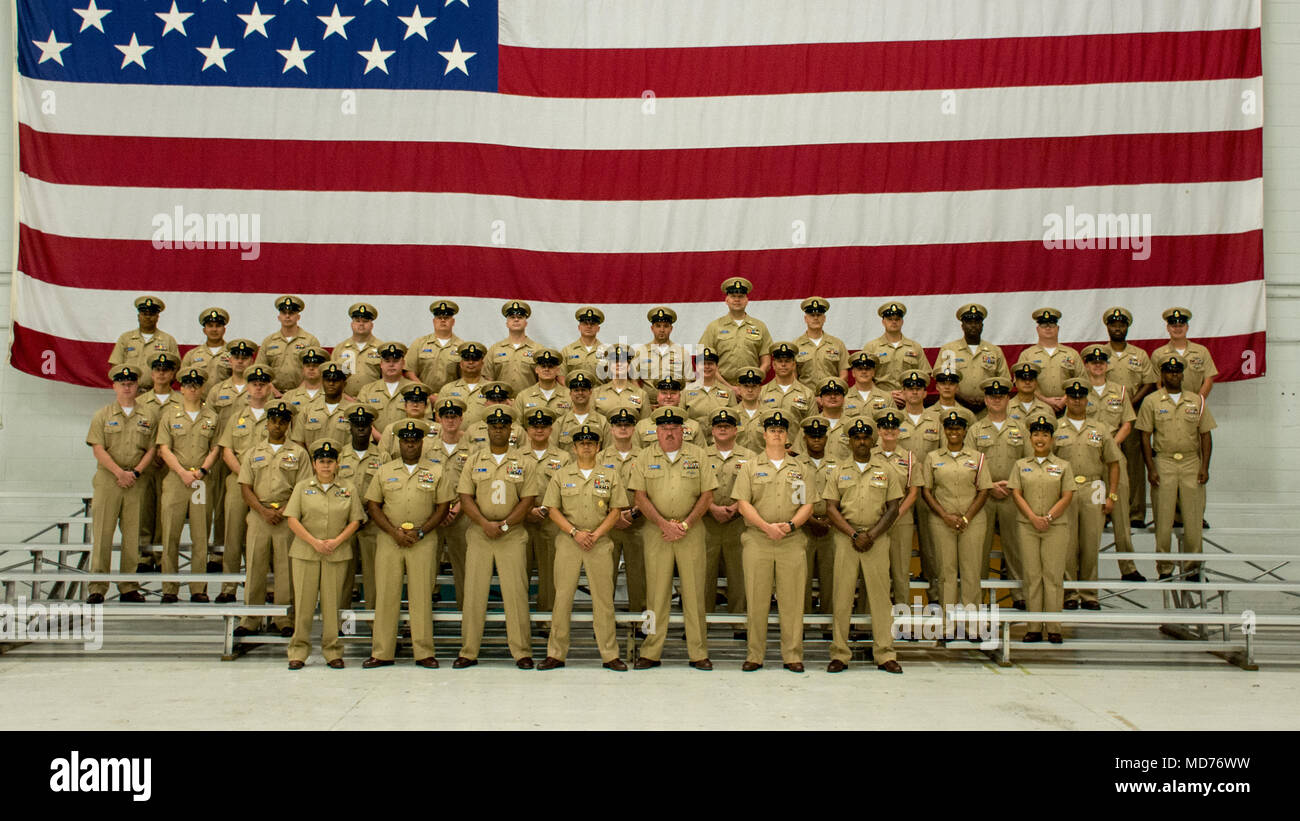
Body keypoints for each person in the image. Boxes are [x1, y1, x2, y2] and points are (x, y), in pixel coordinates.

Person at [628, 406, 719, 670]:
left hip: (691, 531)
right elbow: (640, 497)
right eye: (664, 428)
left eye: (673, 428)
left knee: (694, 593)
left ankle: (698, 652)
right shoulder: (644, 457)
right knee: (655, 594)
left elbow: (707, 496)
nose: (669, 433)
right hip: (657, 533)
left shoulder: (699, 455)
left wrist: (686, 524)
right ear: (656, 431)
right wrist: (663, 524)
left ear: (683, 430)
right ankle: (650, 651)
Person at [360, 419, 454, 668]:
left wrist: (422, 532)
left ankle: (423, 652)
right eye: (406, 441)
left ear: (422, 442)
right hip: (390, 539)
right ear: (399, 442)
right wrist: (393, 532)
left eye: (415, 441)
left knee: (421, 596)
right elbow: (373, 505)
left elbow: (443, 506)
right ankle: (382, 652)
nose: (410, 445)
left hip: (423, 540)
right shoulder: (385, 470)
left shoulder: (435, 470)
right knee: (386, 595)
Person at [454, 407, 543, 669]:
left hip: (512, 534)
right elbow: (465, 496)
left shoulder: (524, 462)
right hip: (480, 534)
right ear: (487, 429)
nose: (498, 430)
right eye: (494, 426)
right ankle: (468, 651)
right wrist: (484, 523)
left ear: (511, 430)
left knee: (515, 593)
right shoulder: (474, 460)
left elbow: (528, 500)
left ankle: (522, 651)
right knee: (474, 593)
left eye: (503, 425)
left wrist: (504, 524)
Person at [540, 424, 630, 671]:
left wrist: (597, 533)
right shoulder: (562, 475)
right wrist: (574, 532)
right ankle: (556, 654)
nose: (587, 446)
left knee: (603, 601)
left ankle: (610, 654)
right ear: (575, 447)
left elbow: (616, 510)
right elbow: (552, 509)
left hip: (599, 543)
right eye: (582, 443)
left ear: (599, 446)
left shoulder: (610, 475)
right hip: (569, 542)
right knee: (563, 598)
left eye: (591, 443)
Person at [732, 410, 814, 672]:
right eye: (772, 430)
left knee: (792, 601)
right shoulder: (750, 467)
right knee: (757, 600)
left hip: (791, 540)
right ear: (764, 435)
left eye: (781, 430)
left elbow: (808, 505)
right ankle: (755, 654)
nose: (777, 433)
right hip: (758, 540)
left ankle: (792, 655)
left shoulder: (800, 469)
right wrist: (766, 527)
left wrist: (789, 526)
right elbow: (743, 504)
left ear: (787, 435)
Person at [822, 417, 904, 673]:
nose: (861, 441)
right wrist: (854, 534)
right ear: (850, 441)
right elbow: (831, 508)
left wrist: (872, 534)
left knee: (880, 599)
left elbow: (893, 508)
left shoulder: (886, 470)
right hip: (846, 539)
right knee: (842, 597)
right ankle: (839, 653)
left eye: (865, 437)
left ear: (872, 440)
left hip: (877, 539)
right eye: (856, 437)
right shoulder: (838, 470)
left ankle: (885, 653)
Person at [284, 442, 364, 669]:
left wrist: (336, 542)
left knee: (332, 605)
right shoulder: (302, 487)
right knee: (304, 604)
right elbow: (292, 519)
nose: (326, 466)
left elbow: (356, 520)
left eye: (330, 462)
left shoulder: (348, 488)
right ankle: (298, 651)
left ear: (337, 464)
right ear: (314, 464)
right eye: (322, 462)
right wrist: (314, 542)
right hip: (306, 553)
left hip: (336, 553)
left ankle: (333, 651)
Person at [1136, 355, 1216, 580]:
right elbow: (1144, 437)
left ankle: (1192, 569)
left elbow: (1206, 435)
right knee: (1163, 522)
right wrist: (1150, 467)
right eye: (1169, 371)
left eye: (1178, 371)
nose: (1174, 375)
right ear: (1162, 375)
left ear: (1183, 374)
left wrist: (1205, 466)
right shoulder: (1152, 401)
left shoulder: (1196, 401)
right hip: (1164, 462)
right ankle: (1164, 569)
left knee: (1193, 520)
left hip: (1191, 462)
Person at [235, 400, 310, 636]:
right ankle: (251, 619)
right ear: (266, 423)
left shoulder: (299, 454)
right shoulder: (252, 453)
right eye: (274, 421)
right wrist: (263, 511)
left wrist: (285, 510)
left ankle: (285, 619)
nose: (278, 426)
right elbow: (245, 487)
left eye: (283, 422)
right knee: (255, 567)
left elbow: (303, 487)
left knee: (286, 569)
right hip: (260, 515)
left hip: (287, 516)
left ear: (288, 424)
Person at [85, 364, 157, 604]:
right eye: (122, 383)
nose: (127, 387)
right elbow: (98, 449)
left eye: (131, 383)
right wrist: (119, 472)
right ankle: (97, 586)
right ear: (114, 386)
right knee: (103, 534)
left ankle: (128, 585)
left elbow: (152, 449)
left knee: (132, 536)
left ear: (137, 386)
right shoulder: (102, 415)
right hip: (109, 479)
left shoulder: (148, 415)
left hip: (136, 481)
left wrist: (135, 472)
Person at [1053, 378, 1122, 610]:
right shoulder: (1055, 428)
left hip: (1094, 487)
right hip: (1065, 490)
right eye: (1072, 397)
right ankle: (1070, 593)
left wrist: (1112, 495)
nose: (1076, 401)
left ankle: (1090, 593)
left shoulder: (1100, 429)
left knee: (1091, 543)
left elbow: (1113, 462)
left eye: (1081, 396)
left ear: (1086, 399)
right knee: (1068, 544)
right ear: (1066, 399)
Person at [155, 367, 221, 603]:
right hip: (176, 480)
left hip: (201, 482)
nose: (192, 389)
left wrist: (202, 470)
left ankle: (198, 588)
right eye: (187, 385)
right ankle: (169, 589)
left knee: (200, 535)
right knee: (170, 535)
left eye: (196, 385)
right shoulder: (170, 416)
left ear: (202, 388)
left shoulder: (212, 417)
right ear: (181, 388)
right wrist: (182, 472)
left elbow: (215, 448)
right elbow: (164, 448)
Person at [1081, 344, 1145, 582]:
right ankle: (1088, 572)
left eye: (1102, 362)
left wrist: (1111, 444)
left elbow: (1128, 423)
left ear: (1107, 366)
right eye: (1093, 362)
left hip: (1114, 457)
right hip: (1088, 460)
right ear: (1086, 365)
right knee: (1091, 518)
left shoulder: (1119, 391)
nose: (1098, 365)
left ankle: (1127, 567)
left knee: (1121, 514)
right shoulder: (1079, 391)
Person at [1008, 416, 1074, 643]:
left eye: (1045, 435)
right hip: (1028, 526)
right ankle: (1034, 626)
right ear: (1030, 438)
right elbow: (1016, 493)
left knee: (1053, 576)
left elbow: (1067, 495)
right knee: (1032, 576)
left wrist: (1047, 517)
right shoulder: (1020, 465)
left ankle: (1054, 626)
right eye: (1036, 435)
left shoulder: (1063, 466)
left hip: (1055, 527)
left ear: (1052, 439)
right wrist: (1033, 517)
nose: (1040, 439)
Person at [966, 377, 1030, 609]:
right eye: (992, 396)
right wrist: (989, 486)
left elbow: (1029, 463)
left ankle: (1019, 595)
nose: (996, 400)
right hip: (983, 497)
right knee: (979, 550)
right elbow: (969, 464)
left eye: (1000, 396)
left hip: (1013, 497)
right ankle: (977, 598)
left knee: (1015, 548)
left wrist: (1012, 485)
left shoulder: (1020, 429)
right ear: (985, 399)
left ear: (1007, 399)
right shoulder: (975, 429)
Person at [213, 364, 275, 603]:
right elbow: (226, 451)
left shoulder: (277, 417)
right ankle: (229, 586)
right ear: (247, 386)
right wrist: (245, 476)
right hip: (238, 482)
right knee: (233, 532)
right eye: (254, 384)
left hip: (268, 484)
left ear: (269, 387)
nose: (258, 388)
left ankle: (268, 586)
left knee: (265, 534)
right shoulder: (236, 417)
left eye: (262, 384)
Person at [921, 412, 993, 608]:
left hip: (973, 521)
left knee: (971, 572)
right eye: (950, 428)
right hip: (941, 521)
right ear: (944, 431)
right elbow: (926, 492)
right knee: (946, 573)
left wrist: (967, 517)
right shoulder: (932, 457)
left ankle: (972, 624)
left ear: (965, 431)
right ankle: (948, 623)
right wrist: (945, 516)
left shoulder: (977, 457)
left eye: (958, 428)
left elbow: (984, 490)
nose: (954, 432)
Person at [1100, 307, 1158, 529]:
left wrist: (1130, 404)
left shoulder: (1139, 355)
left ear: (1127, 327)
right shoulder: (1099, 353)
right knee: (1105, 463)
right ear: (1108, 327)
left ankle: (1136, 513)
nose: (1117, 328)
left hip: (1132, 417)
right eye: (1114, 325)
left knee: (1134, 464)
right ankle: (1105, 512)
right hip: (1106, 418)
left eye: (1121, 325)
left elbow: (1149, 382)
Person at [702, 409, 754, 635]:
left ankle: (739, 621)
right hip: (707, 523)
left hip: (738, 523)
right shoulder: (700, 455)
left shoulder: (751, 457)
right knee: (703, 576)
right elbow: (694, 488)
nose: (722, 428)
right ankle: (701, 622)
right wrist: (711, 507)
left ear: (736, 430)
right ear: (712, 430)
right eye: (718, 425)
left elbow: (755, 490)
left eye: (728, 425)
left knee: (739, 575)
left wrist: (737, 507)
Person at [423, 398, 475, 609]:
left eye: (454, 416)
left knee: (464, 569)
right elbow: (422, 479)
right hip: (433, 514)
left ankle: (467, 616)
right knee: (425, 569)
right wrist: (439, 510)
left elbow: (475, 483)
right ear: (438, 418)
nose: (450, 421)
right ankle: (419, 620)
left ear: (461, 418)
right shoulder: (427, 448)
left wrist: (456, 508)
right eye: (446, 416)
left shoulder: (472, 450)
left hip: (461, 515)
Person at [519, 408, 572, 613]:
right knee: (519, 574)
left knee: (550, 576)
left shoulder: (564, 457)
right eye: (534, 426)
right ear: (527, 429)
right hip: (522, 522)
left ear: (551, 429)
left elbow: (568, 489)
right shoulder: (516, 456)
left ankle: (547, 618)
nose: (539, 430)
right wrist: (527, 510)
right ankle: (520, 618)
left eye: (543, 426)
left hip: (552, 523)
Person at [871, 410, 925, 606]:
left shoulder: (909, 458)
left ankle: (902, 618)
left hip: (901, 520)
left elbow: (913, 492)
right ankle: (874, 616)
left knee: (901, 571)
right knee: (876, 570)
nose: (889, 431)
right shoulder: (868, 455)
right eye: (885, 426)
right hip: (874, 520)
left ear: (899, 430)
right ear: (878, 429)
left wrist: (895, 515)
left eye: (893, 427)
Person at [337, 404, 385, 611]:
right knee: (341, 575)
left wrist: (371, 513)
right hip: (345, 524)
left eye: (365, 425)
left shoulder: (383, 457)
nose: (361, 429)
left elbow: (387, 491)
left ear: (371, 426)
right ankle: (337, 623)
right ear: (350, 427)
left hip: (372, 524)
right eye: (357, 425)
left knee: (374, 576)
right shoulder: (339, 456)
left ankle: (376, 624)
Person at [135, 352, 181, 571]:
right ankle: (144, 556)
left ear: (173, 373)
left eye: (166, 370)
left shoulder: (182, 401)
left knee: (166, 513)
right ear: (151, 373)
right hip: (146, 464)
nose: (161, 373)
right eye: (157, 369)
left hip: (171, 465)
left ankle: (163, 555)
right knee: (144, 511)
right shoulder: (140, 402)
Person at [599, 407, 647, 614]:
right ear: (611, 429)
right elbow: (593, 492)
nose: (623, 428)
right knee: (604, 577)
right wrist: (612, 514)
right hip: (607, 526)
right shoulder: (600, 458)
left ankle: (640, 622)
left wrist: (634, 512)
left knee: (639, 577)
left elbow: (651, 490)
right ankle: (603, 621)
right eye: (619, 424)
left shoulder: (646, 456)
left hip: (639, 523)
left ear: (634, 428)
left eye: (627, 424)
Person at [794, 416, 836, 635]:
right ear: (805, 438)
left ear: (826, 437)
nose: (816, 440)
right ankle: (802, 624)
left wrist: (829, 520)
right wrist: (810, 520)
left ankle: (829, 624)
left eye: (820, 436)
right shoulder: (796, 464)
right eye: (812, 436)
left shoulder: (838, 464)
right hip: (804, 527)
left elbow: (841, 497)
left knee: (831, 578)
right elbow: (796, 498)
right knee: (802, 578)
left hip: (832, 526)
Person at [933, 303, 1010, 414]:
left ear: (982, 326)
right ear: (962, 326)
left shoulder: (995, 351)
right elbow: (941, 380)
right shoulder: (949, 350)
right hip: (956, 409)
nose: (973, 325)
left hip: (988, 410)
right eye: (969, 322)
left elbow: (1004, 381)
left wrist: (986, 400)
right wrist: (963, 399)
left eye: (977, 322)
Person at [697, 277, 773, 383]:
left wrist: (753, 381)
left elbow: (766, 361)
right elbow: (702, 360)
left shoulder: (760, 326)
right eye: (733, 296)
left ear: (747, 300)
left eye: (741, 296)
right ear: (726, 300)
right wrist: (728, 387)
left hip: (750, 387)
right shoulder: (714, 327)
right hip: (721, 387)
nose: (737, 300)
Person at [1014, 308, 1081, 413]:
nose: (1048, 328)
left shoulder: (1072, 354)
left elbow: (1081, 380)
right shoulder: (1027, 355)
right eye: (1044, 325)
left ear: (1058, 328)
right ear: (1037, 329)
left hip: (1068, 408)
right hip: (1036, 409)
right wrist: (1046, 401)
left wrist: (1064, 400)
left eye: (1052, 324)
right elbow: (1020, 384)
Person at [108, 295, 180, 394]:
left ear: (157, 317)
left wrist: (161, 387)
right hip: (130, 393)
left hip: (157, 394)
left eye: (151, 314)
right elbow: (116, 366)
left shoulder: (168, 340)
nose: (148, 317)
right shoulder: (125, 339)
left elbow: (175, 369)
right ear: (138, 316)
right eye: (144, 313)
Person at [356, 342, 422, 440]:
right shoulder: (367, 390)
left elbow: (423, 420)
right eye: (387, 361)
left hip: (408, 445)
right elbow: (362, 421)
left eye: (395, 361)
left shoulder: (415, 389)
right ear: (381, 364)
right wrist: (381, 439)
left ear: (403, 363)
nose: (391, 364)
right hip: (375, 446)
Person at [860, 301, 926, 399]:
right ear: (883, 322)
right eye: (890, 319)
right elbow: (863, 377)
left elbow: (924, 376)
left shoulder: (915, 347)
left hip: (909, 399)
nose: (894, 322)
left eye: (897, 319)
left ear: (902, 321)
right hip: (879, 400)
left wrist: (907, 395)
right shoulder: (871, 347)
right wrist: (885, 396)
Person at [255, 295, 321, 394]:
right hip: (272, 394)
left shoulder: (310, 341)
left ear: (298, 317)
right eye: (284, 313)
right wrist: (274, 391)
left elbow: (318, 371)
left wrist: (296, 393)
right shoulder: (269, 341)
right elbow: (260, 369)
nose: (287, 316)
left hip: (302, 394)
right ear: (279, 317)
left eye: (291, 313)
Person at [1151, 307, 1218, 398]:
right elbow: (1157, 383)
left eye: (1181, 325)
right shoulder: (1158, 354)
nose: (1177, 329)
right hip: (1167, 406)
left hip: (1194, 406)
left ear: (1187, 327)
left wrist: (1197, 403)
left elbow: (1208, 380)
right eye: (1174, 326)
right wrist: (1167, 402)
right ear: (1168, 328)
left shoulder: (1202, 351)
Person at [405, 299, 465, 396]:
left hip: (452, 398)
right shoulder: (419, 343)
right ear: (434, 321)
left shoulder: (462, 347)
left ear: (453, 322)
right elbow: (409, 372)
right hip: (422, 398)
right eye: (439, 317)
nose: (443, 320)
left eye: (447, 317)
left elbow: (465, 377)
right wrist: (426, 393)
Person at [290, 362, 352, 451]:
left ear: (344, 384)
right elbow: (298, 441)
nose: (331, 383)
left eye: (336, 380)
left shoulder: (351, 412)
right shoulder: (307, 410)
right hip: (312, 463)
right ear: (322, 382)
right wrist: (311, 463)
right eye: (327, 380)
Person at [331, 302, 386, 397]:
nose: (361, 324)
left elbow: (388, 378)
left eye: (365, 321)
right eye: (357, 321)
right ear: (352, 324)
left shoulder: (382, 348)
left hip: (373, 400)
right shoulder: (340, 348)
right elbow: (332, 378)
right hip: (344, 401)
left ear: (371, 325)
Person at [487, 300, 541, 394]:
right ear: (507, 323)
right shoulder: (494, 349)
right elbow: (488, 379)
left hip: (529, 404)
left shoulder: (538, 350)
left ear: (526, 323)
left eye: (520, 317)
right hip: (501, 403)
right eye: (512, 317)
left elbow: (544, 381)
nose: (516, 320)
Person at [178, 307, 232, 399]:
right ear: (204, 330)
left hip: (225, 403)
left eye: (218, 325)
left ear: (224, 329)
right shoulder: (192, 355)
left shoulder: (233, 354)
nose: (214, 329)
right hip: (198, 404)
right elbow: (183, 382)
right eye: (210, 326)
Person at [552, 370, 610, 455]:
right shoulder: (559, 423)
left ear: (590, 392)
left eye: (583, 389)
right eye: (576, 390)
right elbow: (553, 454)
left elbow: (607, 454)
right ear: (570, 393)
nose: (580, 393)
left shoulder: (603, 422)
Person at [793, 296, 848, 384]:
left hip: (831, 396)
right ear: (805, 319)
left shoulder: (838, 344)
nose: (815, 318)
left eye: (819, 315)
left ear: (824, 318)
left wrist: (829, 392)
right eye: (812, 315)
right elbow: (793, 377)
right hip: (805, 397)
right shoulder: (795, 346)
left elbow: (844, 374)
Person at [634, 306, 692, 387]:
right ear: (652, 328)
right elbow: (633, 380)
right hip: (649, 399)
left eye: (666, 326)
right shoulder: (640, 352)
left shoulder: (682, 353)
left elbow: (688, 382)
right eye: (658, 326)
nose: (662, 330)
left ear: (671, 328)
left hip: (674, 399)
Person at [636, 376, 703, 446]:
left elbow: (701, 455)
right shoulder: (641, 426)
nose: (668, 396)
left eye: (673, 393)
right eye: (664, 393)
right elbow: (635, 454)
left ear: (680, 397)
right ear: (657, 397)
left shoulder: (694, 426)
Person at [759, 342, 815, 423]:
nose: (783, 364)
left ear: (794, 365)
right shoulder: (762, 392)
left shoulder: (807, 394)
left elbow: (811, 424)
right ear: (774, 365)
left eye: (787, 361)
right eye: (779, 361)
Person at [514, 348, 572, 422]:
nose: (546, 369)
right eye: (543, 366)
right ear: (536, 370)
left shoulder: (569, 396)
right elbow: (517, 426)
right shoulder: (523, 396)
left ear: (558, 370)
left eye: (551, 366)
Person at [592, 345, 649, 420]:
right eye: (615, 361)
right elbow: (591, 421)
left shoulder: (641, 394)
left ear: (629, 366)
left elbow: (645, 425)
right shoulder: (596, 393)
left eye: (623, 361)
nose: (619, 364)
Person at [682, 347, 733, 430]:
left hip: (720, 438)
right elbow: (681, 418)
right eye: (703, 363)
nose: (707, 367)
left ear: (716, 367)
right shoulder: (686, 391)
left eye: (710, 363)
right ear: (697, 367)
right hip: (694, 438)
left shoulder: (728, 391)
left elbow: (733, 419)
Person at [438, 341, 490, 423]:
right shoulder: (447, 389)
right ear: (461, 364)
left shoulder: (490, 389)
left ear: (482, 363)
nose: (471, 362)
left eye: (475, 359)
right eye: (466, 359)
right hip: (455, 435)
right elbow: (439, 417)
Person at [560, 306, 609, 384]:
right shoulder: (567, 351)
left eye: (592, 324)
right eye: (585, 323)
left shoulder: (608, 352)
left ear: (598, 329)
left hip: (600, 395)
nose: (589, 326)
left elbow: (614, 380)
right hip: (575, 395)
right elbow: (561, 377)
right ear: (579, 327)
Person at [843, 353, 894, 419]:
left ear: (873, 372)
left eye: (867, 368)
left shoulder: (887, 398)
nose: (864, 372)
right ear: (853, 373)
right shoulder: (844, 397)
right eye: (860, 369)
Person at [731, 368, 767, 452]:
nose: (750, 390)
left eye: (754, 386)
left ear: (760, 388)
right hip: (736, 463)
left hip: (762, 463)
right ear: (739, 388)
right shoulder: (731, 415)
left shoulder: (769, 414)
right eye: (746, 386)